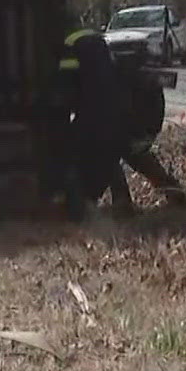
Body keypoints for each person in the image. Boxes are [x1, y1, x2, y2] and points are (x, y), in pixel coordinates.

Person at [48, 13, 130, 220]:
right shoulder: (97, 39)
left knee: (72, 155)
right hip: (113, 106)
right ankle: (123, 202)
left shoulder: (70, 44)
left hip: (91, 109)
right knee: (109, 152)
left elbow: (67, 84)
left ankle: (77, 208)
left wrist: (58, 108)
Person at [108, 49, 186, 209]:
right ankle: (175, 194)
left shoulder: (119, 80)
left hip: (135, 128)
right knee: (138, 158)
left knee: (109, 156)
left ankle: (122, 204)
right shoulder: (137, 76)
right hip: (147, 126)